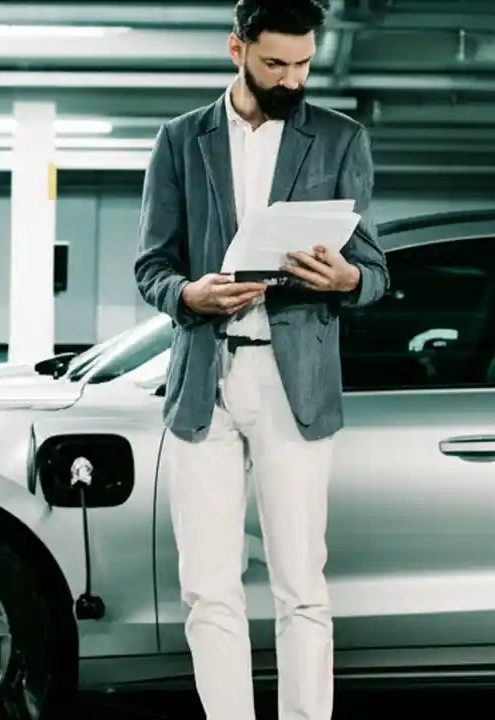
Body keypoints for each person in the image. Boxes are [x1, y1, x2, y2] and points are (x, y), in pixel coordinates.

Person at [133, 1, 389, 718]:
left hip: (293, 385)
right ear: (236, 49)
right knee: (207, 586)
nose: (292, 77)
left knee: (301, 584)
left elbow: (374, 269)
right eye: (276, 62)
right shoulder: (181, 140)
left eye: (304, 62)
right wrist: (190, 293)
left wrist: (348, 280)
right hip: (204, 384)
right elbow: (151, 267)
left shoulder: (341, 139)